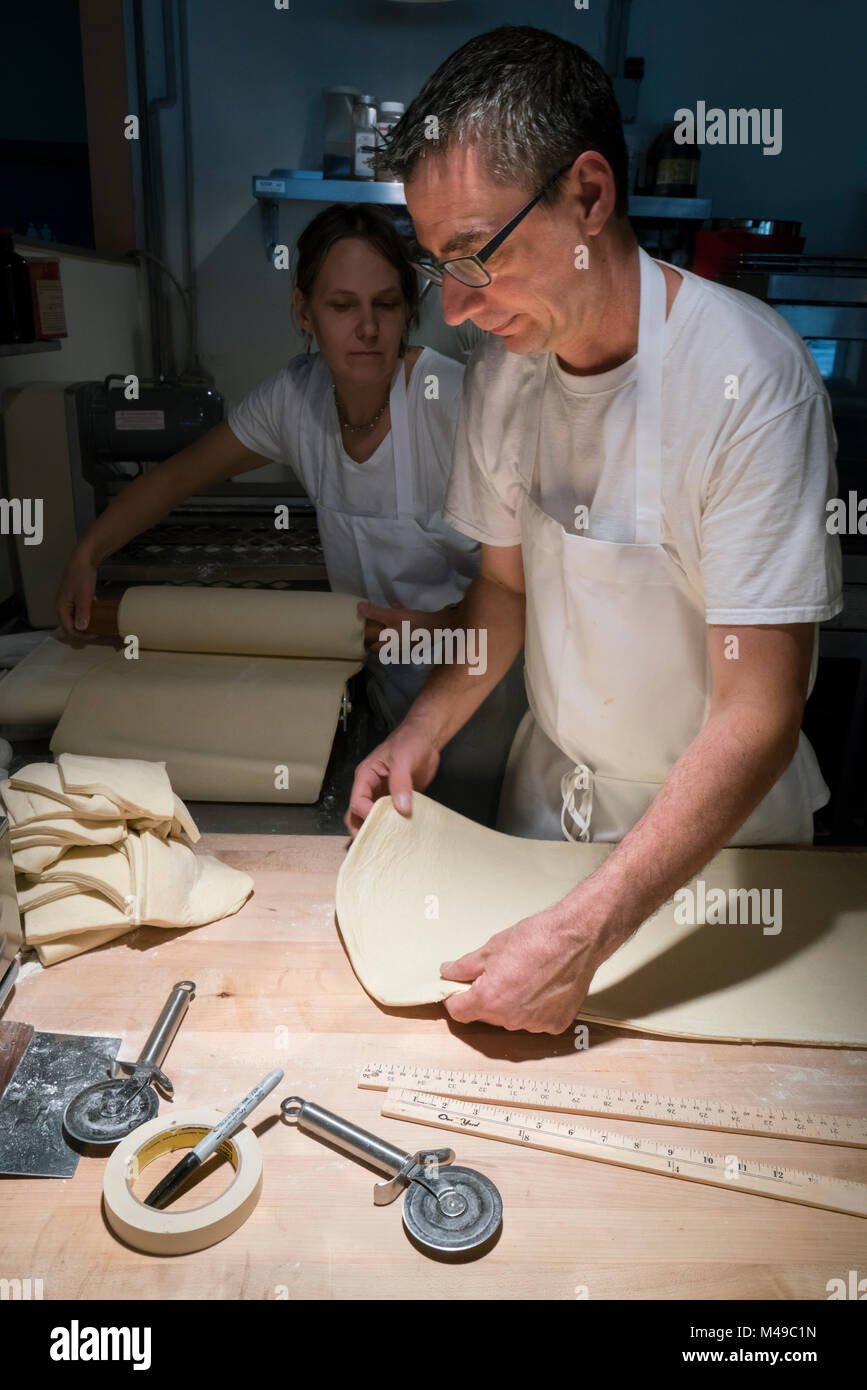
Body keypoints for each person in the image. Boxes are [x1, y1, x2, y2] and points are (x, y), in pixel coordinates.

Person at [346, 27, 843, 1033]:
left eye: (480, 255)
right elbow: (505, 592)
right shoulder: (503, 379)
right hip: (546, 828)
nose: (458, 306)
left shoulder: (747, 381)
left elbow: (759, 710)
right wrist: (422, 728)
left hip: (720, 858)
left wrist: (585, 933)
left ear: (588, 195)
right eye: (439, 264)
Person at [56, 203, 524, 822]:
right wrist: (89, 552)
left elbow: (521, 575)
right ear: (303, 311)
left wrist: (444, 624)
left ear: (409, 310)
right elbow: (177, 477)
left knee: (469, 850)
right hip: (386, 684)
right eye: (341, 305)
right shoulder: (294, 401)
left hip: (480, 690)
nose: (368, 328)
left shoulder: (447, 403)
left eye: (386, 305)